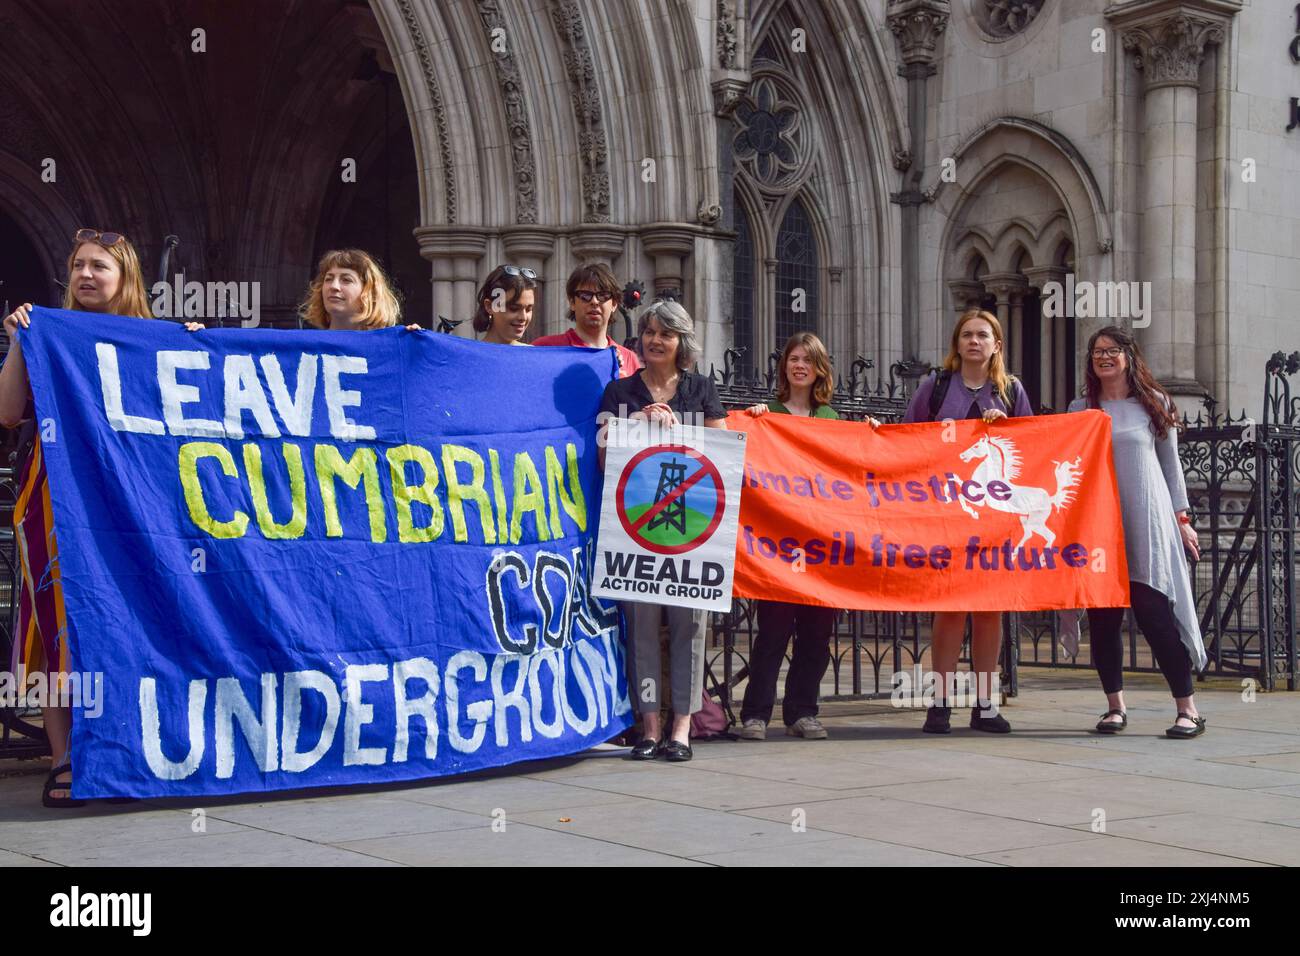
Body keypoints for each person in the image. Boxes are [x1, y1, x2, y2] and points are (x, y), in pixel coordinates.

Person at [0, 229, 199, 807]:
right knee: (55, 623)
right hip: (54, 501)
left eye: (100, 267)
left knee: (134, 617)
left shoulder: (153, 339)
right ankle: (64, 758)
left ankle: (135, 746)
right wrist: (17, 342)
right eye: (79, 265)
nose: (86, 275)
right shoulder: (47, 332)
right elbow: (9, 412)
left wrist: (195, 349)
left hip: (133, 505)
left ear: (125, 278)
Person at [598, 299, 726, 762]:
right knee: (643, 628)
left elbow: (725, 455)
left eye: (666, 334)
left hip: (693, 532)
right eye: (649, 331)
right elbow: (601, 455)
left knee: (691, 626)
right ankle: (648, 724)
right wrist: (634, 423)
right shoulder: (620, 392)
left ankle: (682, 727)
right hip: (638, 529)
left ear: (681, 342)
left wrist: (681, 433)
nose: (655, 340)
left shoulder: (701, 390)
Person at [736, 332, 879, 741]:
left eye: (807, 360)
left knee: (816, 635)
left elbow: (854, 466)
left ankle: (803, 711)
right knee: (773, 633)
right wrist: (752, 421)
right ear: (784, 367)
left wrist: (870, 433)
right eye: (793, 358)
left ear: (819, 370)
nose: (799, 365)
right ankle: (756, 713)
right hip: (779, 548)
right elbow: (741, 447)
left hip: (821, 548)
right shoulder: (770, 415)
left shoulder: (832, 420)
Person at [1070, 326, 1207, 738]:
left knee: (1154, 614)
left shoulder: (1154, 403)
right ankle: (1115, 707)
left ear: (1129, 355)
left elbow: (1171, 467)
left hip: (1145, 521)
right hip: (1098, 526)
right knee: (1104, 618)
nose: (1104, 357)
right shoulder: (1080, 409)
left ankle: (1188, 709)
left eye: (1112, 350)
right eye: (1097, 352)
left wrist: (1183, 521)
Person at [903, 308, 1033, 734]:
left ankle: (985, 705)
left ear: (996, 344)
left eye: (983, 335)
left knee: (989, 610)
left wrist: (1006, 428)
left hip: (994, 517)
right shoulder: (935, 387)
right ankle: (939, 703)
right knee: (950, 609)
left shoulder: (1011, 390)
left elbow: (1032, 448)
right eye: (967, 335)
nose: (974, 341)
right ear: (956, 344)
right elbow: (905, 442)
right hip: (945, 514)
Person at [533, 263, 640, 377]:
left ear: (614, 304)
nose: (594, 301)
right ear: (572, 302)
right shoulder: (544, 348)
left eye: (603, 295)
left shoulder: (630, 360)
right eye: (585, 295)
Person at [299, 248, 414, 331]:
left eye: (346, 280)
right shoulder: (307, 346)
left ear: (369, 291)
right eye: (328, 279)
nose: (334, 286)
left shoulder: (389, 346)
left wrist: (415, 344)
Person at [472, 265, 537, 345]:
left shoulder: (535, 354)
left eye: (528, 309)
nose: (523, 317)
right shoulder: (469, 355)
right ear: (489, 306)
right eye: (514, 309)